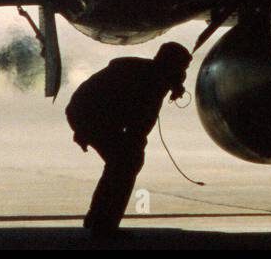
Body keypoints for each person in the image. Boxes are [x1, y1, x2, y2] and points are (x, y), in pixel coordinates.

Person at [65, 42, 192, 237]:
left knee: (118, 163)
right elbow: (140, 125)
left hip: (85, 111)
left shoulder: (146, 72)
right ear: (171, 66)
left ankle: (96, 216)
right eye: (181, 67)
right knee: (126, 164)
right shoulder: (152, 82)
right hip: (92, 115)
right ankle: (105, 226)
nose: (182, 74)